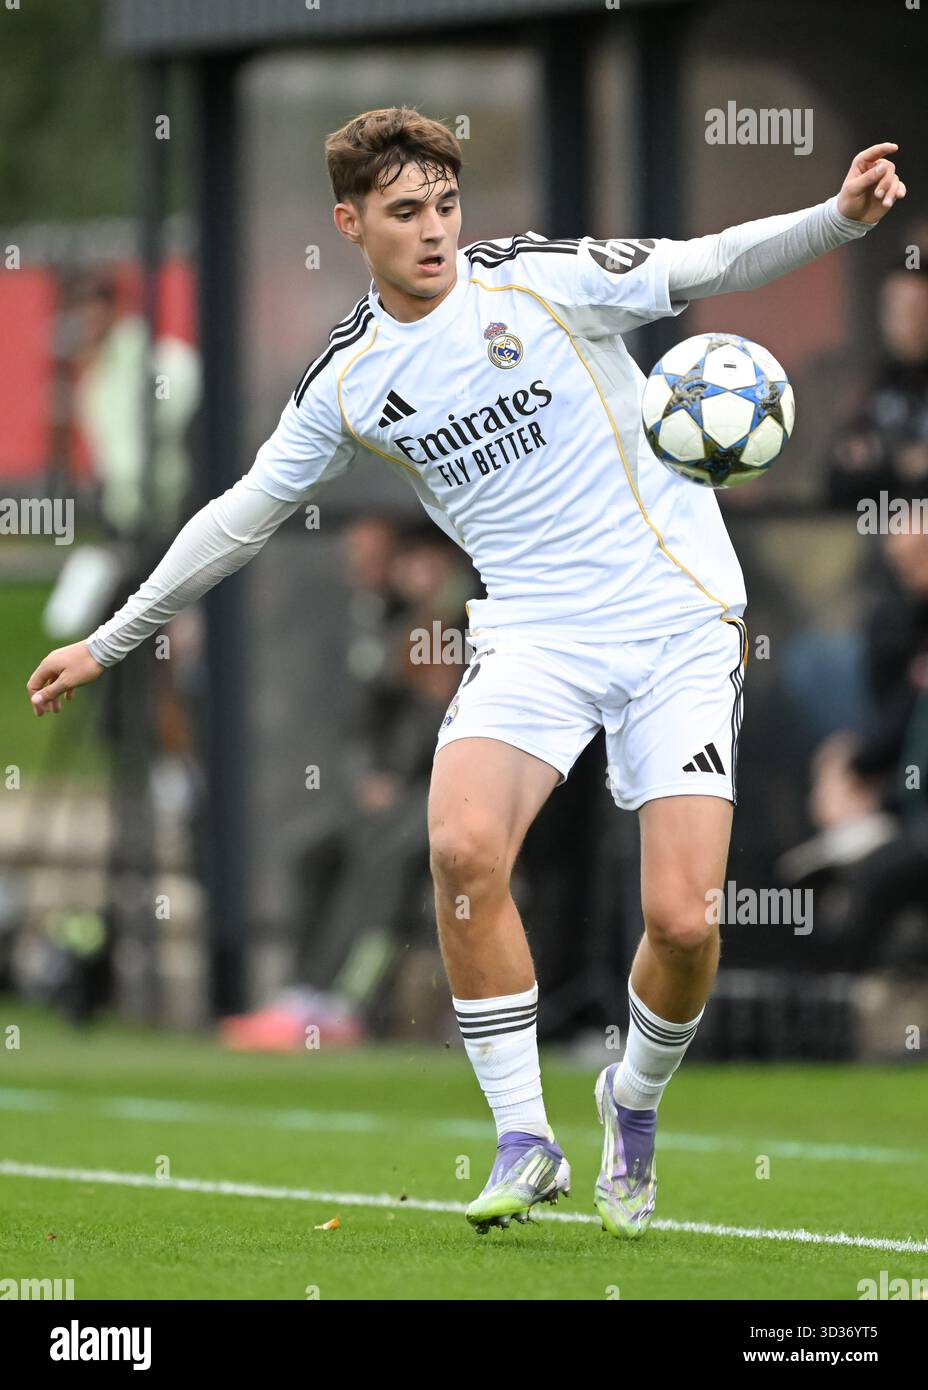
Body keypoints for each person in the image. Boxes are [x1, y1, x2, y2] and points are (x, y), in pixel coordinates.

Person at [25, 107, 907, 1238]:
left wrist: (835, 217)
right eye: (405, 213)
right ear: (351, 223)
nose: (435, 230)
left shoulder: (540, 280)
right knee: (458, 847)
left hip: (675, 617)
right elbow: (238, 518)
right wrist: (109, 640)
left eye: (445, 204)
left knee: (683, 923)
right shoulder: (347, 379)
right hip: (532, 634)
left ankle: (629, 1102)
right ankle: (523, 1138)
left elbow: (703, 262)